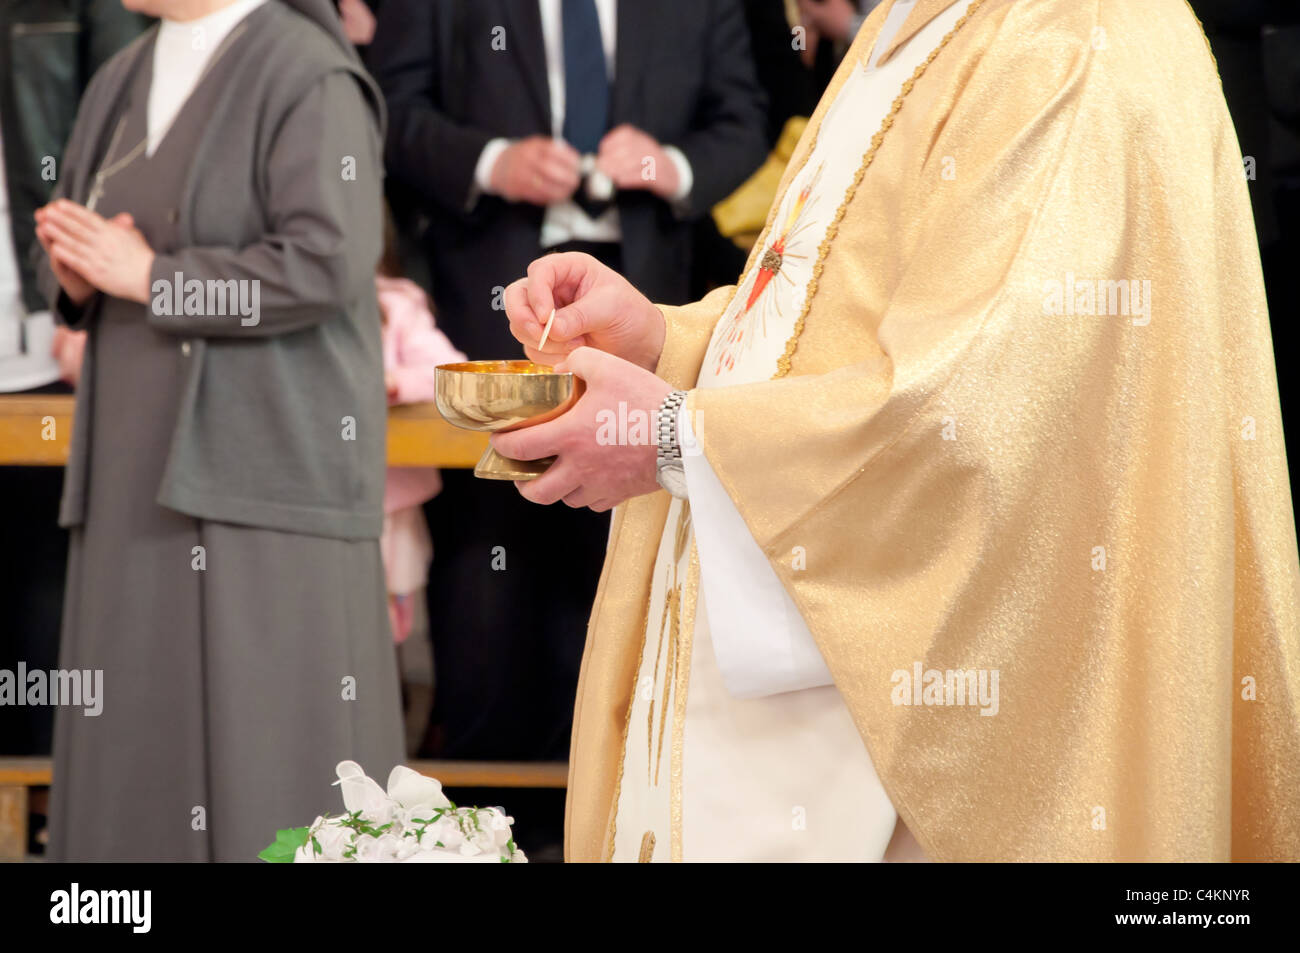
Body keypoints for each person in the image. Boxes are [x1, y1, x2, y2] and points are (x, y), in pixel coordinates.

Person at [497, 0, 1300, 861]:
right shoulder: (913, 24)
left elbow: (981, 411)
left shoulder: (1081, 38)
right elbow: (835, 312)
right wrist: (669, 341)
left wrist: (666, 436)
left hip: (937, 737)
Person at [33, 0, 403, 861]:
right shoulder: (119, 76)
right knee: (133, 737)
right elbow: (109, 253)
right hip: (133, 463)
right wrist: (81, 274)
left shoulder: (306, 70)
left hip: (262, 470)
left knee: (272, 754)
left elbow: (327, 260)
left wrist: (154, 278)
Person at [367, 0, 768, 761]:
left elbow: (744, 116)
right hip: (489, 318)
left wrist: (665, 165)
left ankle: (609, 808)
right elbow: (389, 108)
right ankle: (487, 822)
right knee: (485, 598)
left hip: (653, 318)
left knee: (624, 588)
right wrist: (491, 161)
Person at [0, 0, 147, 762]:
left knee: (47, 582)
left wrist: (80, 301)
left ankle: (54, 792)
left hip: (40, 332)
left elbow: (131, 128)